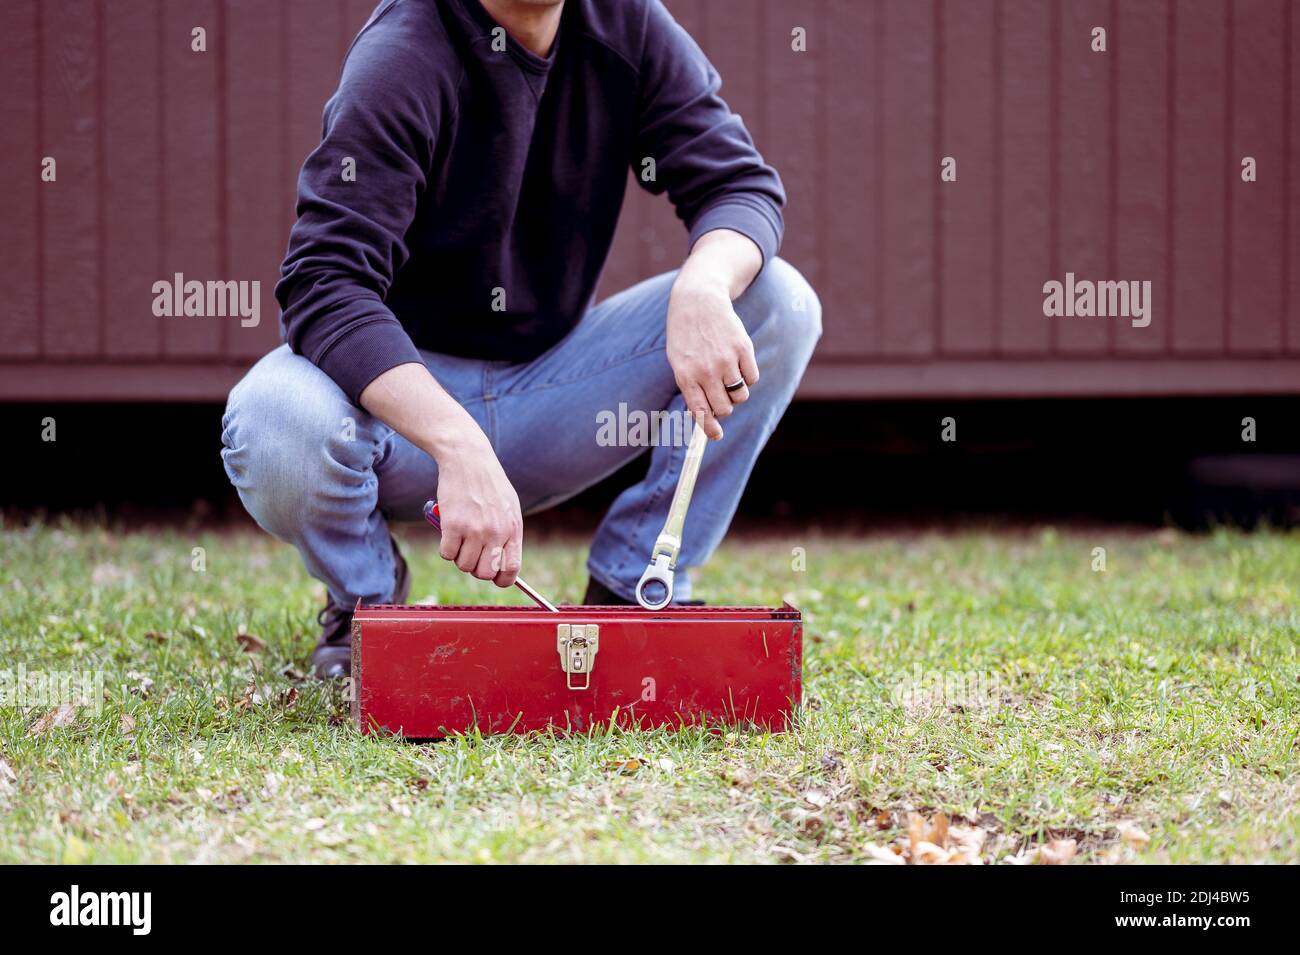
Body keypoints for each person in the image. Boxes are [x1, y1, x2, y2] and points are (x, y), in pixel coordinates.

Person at [220, 0, 821, 678]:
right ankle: (368, 605)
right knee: (273, 420)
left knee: (778, 301)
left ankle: (635, 584)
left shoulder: (628, 24)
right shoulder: (402, 55)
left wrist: (703, 288)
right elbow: (324, 283)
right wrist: (456, 442)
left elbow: (738, 183)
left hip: (560, 392)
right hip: (402, 421)